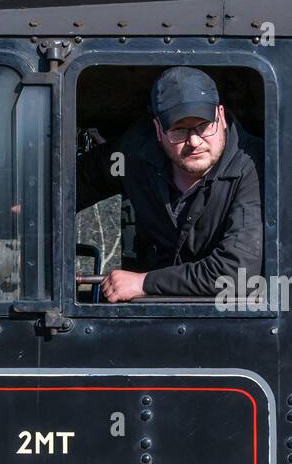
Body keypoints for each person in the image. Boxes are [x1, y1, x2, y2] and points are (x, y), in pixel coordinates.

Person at [77, 67, 263, 301]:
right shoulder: (134, 155)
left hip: (232, 323)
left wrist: (144, 282)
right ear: (158, 130)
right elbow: (80, 179)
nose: (194, 141)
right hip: (148, 321)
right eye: (178, 130)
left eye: (204, 126)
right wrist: (28, 203)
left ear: (221, 116)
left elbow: (238, 274)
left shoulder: (254, 165)